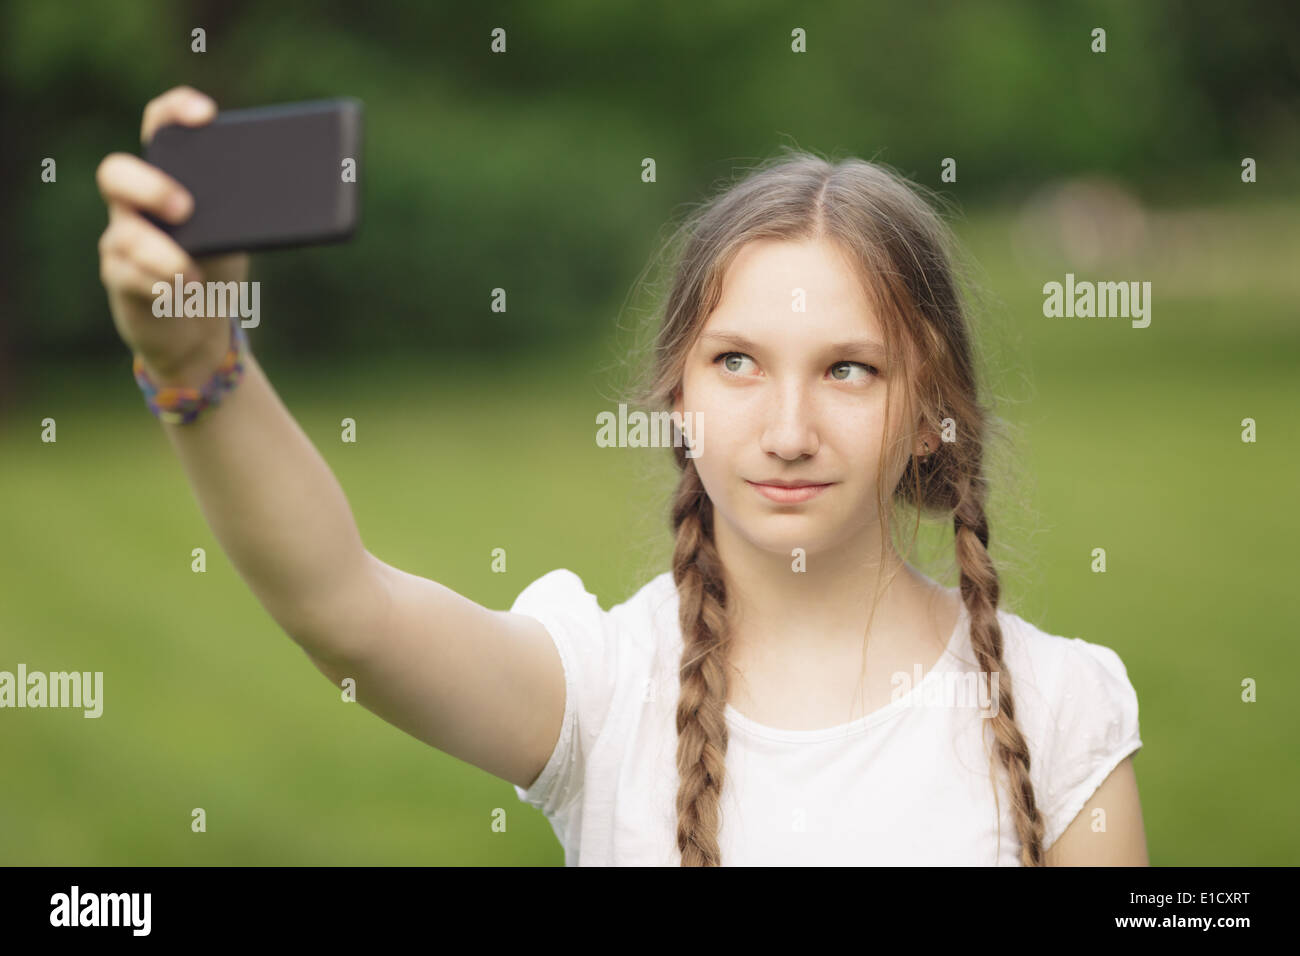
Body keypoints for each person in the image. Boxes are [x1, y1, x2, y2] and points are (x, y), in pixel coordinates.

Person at [97, 85, 1147, 867]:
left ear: (930, 412)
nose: (788, 428)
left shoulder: (1059, 708)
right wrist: (197, 362)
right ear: (677, 393)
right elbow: (345, 607)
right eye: (736, 361)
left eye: (848, 368)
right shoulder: (603, 686)